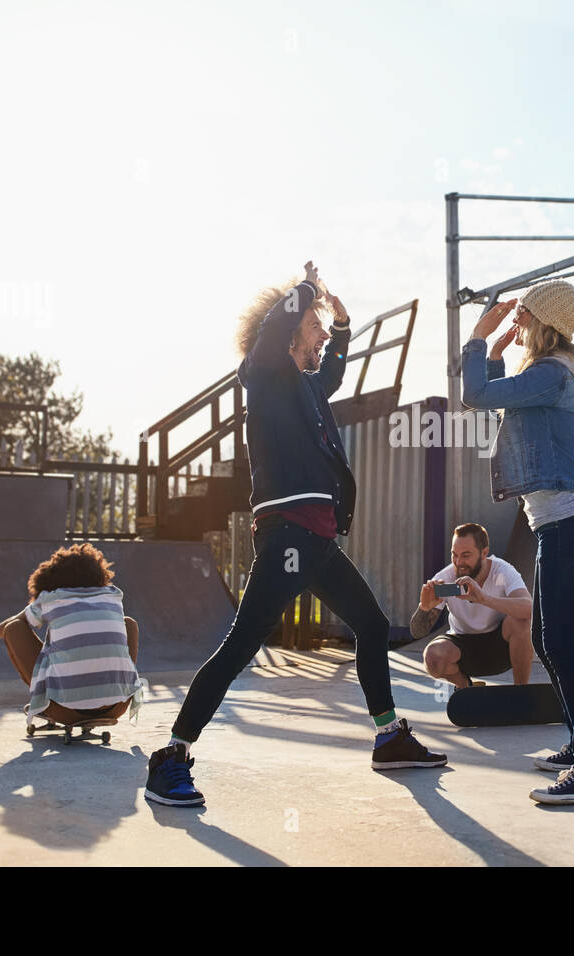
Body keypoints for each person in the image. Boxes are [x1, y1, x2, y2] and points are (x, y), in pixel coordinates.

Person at [143, 262, 446, 808]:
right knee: (242, 645)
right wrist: (306, 290)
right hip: (288, 538)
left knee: (372, 627)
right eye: (313, 325)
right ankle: (171, 756)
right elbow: (276, 329)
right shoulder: (262, 377)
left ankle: (388, 737)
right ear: (287, 333)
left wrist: (344, 324)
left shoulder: (307, 389)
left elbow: (331, 371)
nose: (322, 333)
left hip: (318, 541)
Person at [461, 279, 574, 805]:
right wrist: (497, 354)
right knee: (548, 640)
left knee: (562, 644)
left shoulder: (550, 374)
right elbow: (497, 401)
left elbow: (473, 394)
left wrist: (478, 338)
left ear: (545, 323)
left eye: (523, 316)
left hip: (568, 523)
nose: (516, 323)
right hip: (558, 523)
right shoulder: (545, 376)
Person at [0, 543, 143, 722]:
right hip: (117, 707)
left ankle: (45, 701)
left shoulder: (51, 599)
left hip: (65, 711)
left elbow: (14, 622)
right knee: (129, 623)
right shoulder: (113, 596)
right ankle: (119, 687)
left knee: (13, 629)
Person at [414, 522, 534, 687]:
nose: (459, 562)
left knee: (521, 623)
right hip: (462, 646)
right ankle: (466, 688)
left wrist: (485, 599)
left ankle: (521, 692)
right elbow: (417, 632)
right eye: (454, 555)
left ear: (484, 553)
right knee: (433, 658)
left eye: (466, 555)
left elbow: (529, 609)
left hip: (500, 647)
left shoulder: (503, 571)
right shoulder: (446, 578)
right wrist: (424, 608)